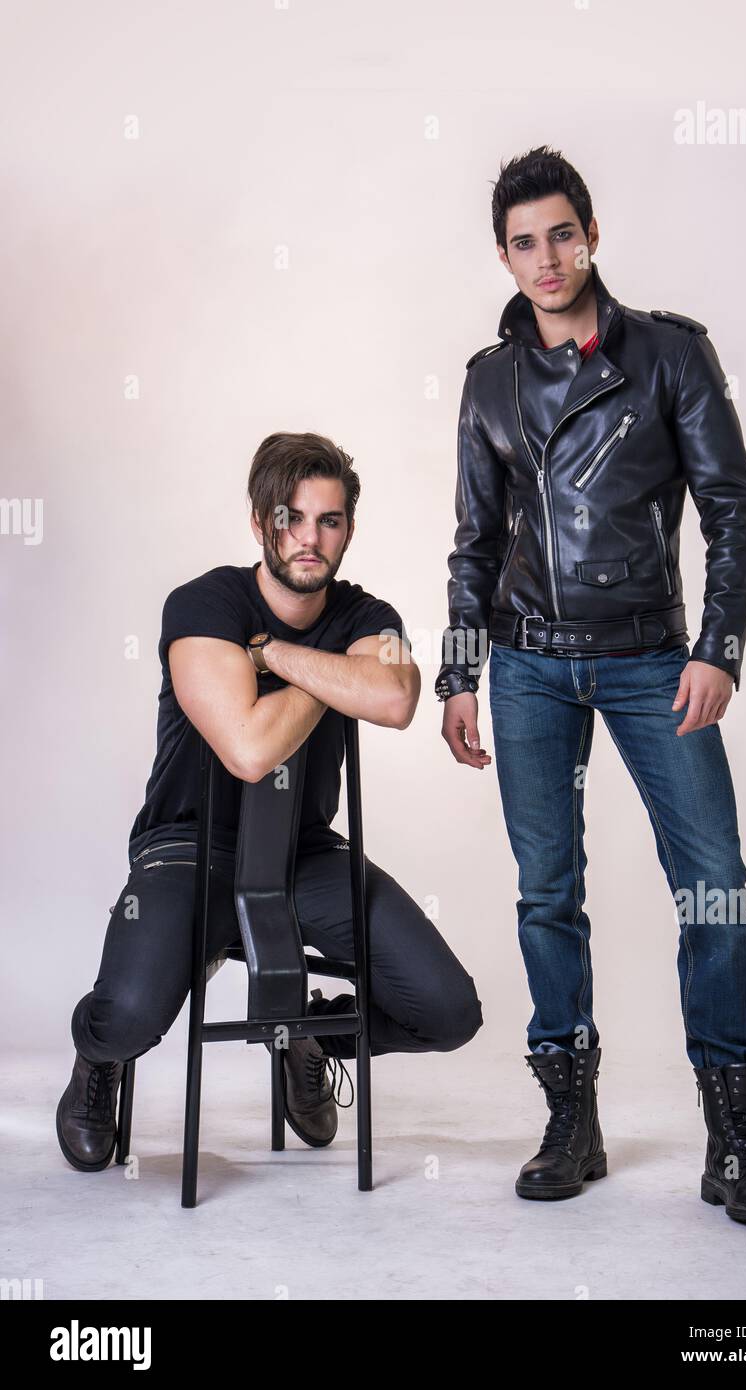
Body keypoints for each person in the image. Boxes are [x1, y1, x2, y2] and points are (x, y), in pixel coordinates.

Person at [435, 145, 746, 1225]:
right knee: (547, 891)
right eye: (520, 242)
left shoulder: (669, 355)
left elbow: (732, 509)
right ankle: (570, 1119)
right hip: (527, 665)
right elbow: (471, 539)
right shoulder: (485, 381)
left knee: (713, 884)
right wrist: (460, 671)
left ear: (590, 232)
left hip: (651, 658)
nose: (543, 259)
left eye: (559, 233)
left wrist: (717, 648)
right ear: (500, 255)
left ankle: (734, 1140)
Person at [58, 432, 482, 1172]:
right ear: (260, 521)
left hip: (305, 852)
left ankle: (304, 1032)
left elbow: (394, 698)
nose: (309, 538)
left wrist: (274, 656)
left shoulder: (363, 610)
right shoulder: (203, 603)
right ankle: (99, 1059)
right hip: (191, 846)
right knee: (124, 1017)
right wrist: (333, 674)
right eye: (291, 518)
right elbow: (250, 748)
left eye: (329, 520)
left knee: (448, 1010)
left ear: (348, 527)